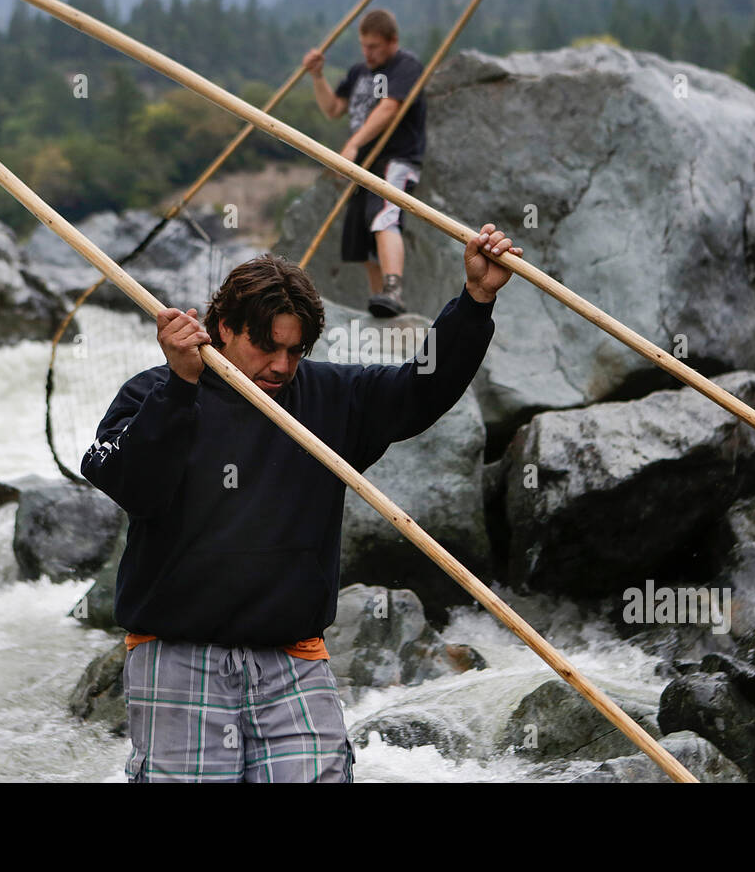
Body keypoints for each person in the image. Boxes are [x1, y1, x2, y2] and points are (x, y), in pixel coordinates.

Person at [80, 225, 522, 782]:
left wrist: (476, 301)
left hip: (293, 658)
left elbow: (421, 389)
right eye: (266, 347)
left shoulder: (329, 399)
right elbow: (131, 485)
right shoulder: (155, 393)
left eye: (295, 350)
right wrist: (179, 387)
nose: (281, 367)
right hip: (178, 657)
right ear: (223, 327)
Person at [303, 8, 426, 317]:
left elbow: (390, 109)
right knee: (363, 237)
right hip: (362, 168)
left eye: (374, 46)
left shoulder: (405, 66)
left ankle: (393, 288)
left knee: (384, 216)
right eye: (364, 46)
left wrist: (353, 145)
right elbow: (332, 108)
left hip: (394, 158)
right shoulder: (359, 72)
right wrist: (317, 76)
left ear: (392, 41)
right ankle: (381, 300)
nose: (367, 53)